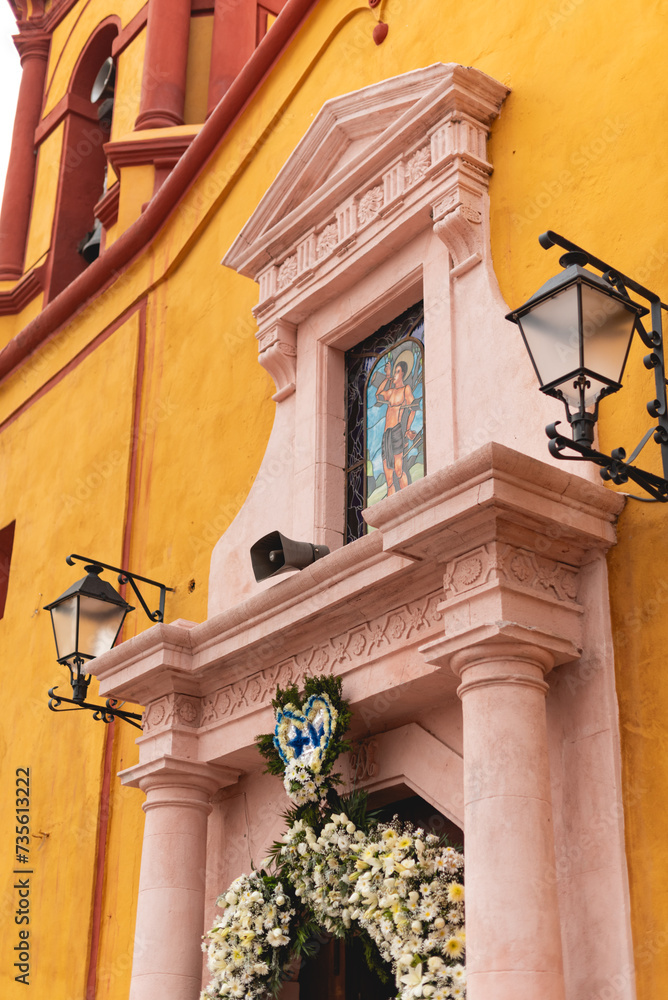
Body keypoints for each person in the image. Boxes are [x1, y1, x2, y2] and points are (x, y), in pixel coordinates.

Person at [375, 359, 416, 495]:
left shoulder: (405, 389)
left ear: (403, 374)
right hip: (386, 434)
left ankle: (408, 497)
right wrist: (387, 377)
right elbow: (378, 395)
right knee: (389, 478)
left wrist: (408, 429)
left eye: (397, 372)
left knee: (398, 471)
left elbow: (413, 408)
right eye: (394, 372)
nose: (395, 375)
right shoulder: (391, 392)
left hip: (396, 431)